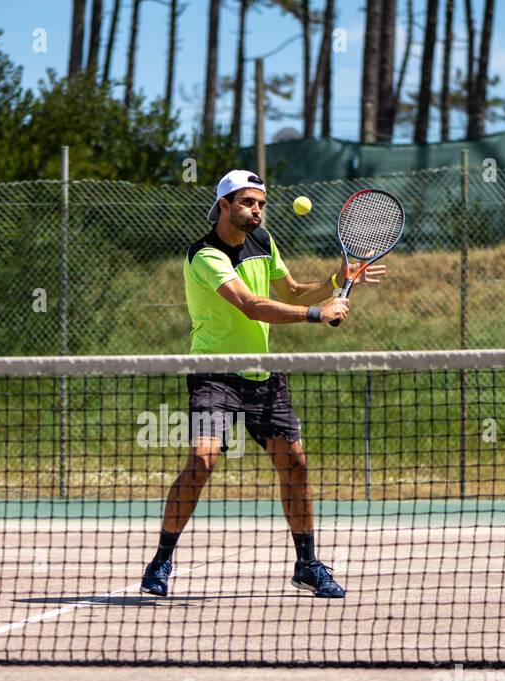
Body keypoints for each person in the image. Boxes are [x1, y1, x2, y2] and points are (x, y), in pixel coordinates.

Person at [140, 169, 386, 599]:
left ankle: (308, 565)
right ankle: (162, 559)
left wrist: (334, 282)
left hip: (263, 376)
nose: (256, 210)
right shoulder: (204, 255)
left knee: (295, 463)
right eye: (248, 202)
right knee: (203, 460)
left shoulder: (264, 241)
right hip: (215, 374)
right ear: (225, 205)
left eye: (260, 203)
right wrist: (317, 315)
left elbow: (289, 292)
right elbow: (252, 305)